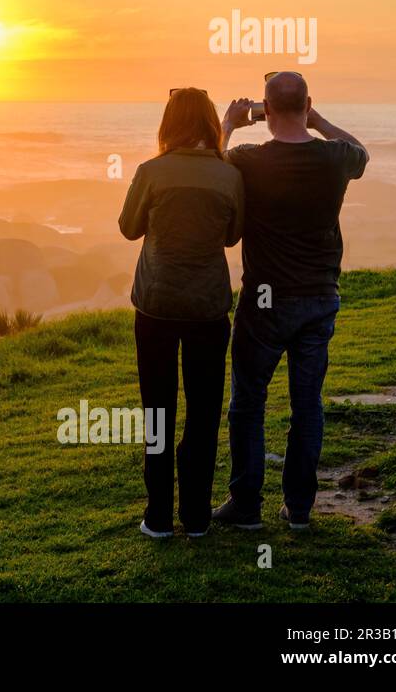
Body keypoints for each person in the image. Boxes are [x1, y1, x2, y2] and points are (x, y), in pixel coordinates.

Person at [214, 72, 368, 530]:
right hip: (320, 297)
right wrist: (317, 120)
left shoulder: (247, 159)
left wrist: (227, 123)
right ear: (308, 104)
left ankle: (246, 507)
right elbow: (362, 152)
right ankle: (298, 509)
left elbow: (211, 167)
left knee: (248, 402)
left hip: (265, 302)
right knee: (307, 404)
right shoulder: (334, 156)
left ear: (265, 109)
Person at [119, 88, 244, 538]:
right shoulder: (229, 176)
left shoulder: (151, 171)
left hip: (155, 305)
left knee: (157, 410)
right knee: (204, 411)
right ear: (212, 123)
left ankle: (157, 517)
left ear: (168, 124)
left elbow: (128, 227)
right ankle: (195, 518)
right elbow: (232, 236)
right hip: (208, 309)